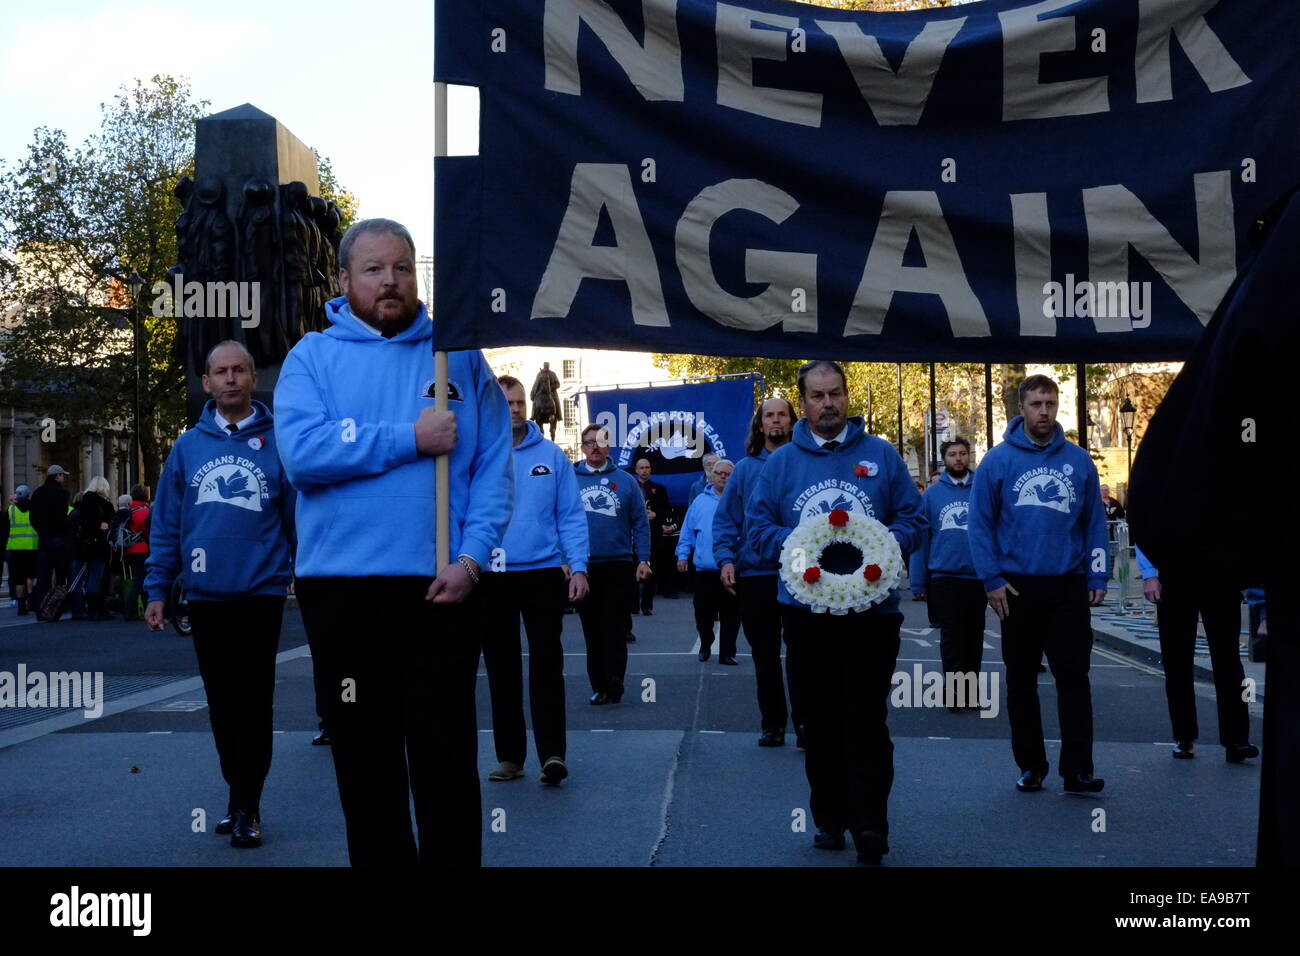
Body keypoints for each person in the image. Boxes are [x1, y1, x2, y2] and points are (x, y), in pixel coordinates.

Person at [275, 218, 513, 867]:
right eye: (375, 269)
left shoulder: (457, 354)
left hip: (441, 590)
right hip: (344, 598)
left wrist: (472, 559)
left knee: (445, 763)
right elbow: (303, 454)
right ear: (345, 280)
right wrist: (408, 437)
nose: (390, 282)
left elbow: (494, 465)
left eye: (402, 268)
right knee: (366, 763)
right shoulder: (312, 358)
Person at [747, 361, 924, 865]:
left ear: (848, 397)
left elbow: (913, 518)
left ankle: (871, 823)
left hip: (873, 615)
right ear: (802, 403)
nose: (829, 404)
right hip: (806, 616)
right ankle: (828, 815)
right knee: (819, 722)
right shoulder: (779, 465)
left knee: (867, 717)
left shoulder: (881, 455)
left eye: (836, 395)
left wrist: (887, 545)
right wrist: (801, 543)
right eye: (818, 396)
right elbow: (757, 531)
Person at [144, 340, 296, 850]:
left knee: (254, 702)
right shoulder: (188, 447)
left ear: (253, 378)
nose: (230, 379)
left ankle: (248, 805)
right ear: (207, 383)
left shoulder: (281, 442)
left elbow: (298, 519)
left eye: (239, 370)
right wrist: (156, 587)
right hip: (206, 597)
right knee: (222, 704)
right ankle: (237, 793)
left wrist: (305, 574)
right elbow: (166, 526)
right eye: (220, 372)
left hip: (260, 593)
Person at [968, 374, 1108, 795]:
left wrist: (1097, 574)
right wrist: (991, 579)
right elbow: (979, 525)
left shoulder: (1079, 461)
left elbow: (1095, 524)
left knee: (1074, 676)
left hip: (1068, 586)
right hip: (1017, 589)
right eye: (1036, 404)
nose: (1044, 411)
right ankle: (1031, 765)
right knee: (1022, 679)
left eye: (1050, 403)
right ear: (1022, 408)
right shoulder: (998, 461)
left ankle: (1078, 770)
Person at [481, 375, 589, 785]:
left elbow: (570, 516)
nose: (514, 409)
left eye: (519, 402)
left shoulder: (553, 456)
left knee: (547, 665)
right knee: (501, 668)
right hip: (492, 577)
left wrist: (578, 566)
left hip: (542, 573)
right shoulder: (479, 453)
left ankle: (553, 755)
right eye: (506, 402)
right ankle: (510, 757)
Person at [715, 396, 804, 747]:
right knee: (764, 655)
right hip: (755, 574)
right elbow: (726, 521)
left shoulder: (804, 464)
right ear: (760, 424)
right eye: (770, 415)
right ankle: (773, 723)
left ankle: (807, 724)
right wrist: (725, 559)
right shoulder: (745, 470)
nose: (776, 420)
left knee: (802, 654)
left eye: (782, 414)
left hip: (800, 572)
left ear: (793, 421)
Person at [1135, 545, 1257, 762]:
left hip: (1223, 576)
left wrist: (1246, 576)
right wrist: (1150, 573)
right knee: (1176, 661)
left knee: (1229, 661)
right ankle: (1184, 737)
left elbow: (1240, 527)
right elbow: (1147, 525)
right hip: (1175, 574)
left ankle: (1237, 738)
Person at [574, 424, 651, 705]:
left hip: (619, 564)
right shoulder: (570, 479)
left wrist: (643, 559)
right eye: (589, 442)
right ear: (582, 447)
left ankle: (615, 678)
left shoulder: (626, 481)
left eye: (600, 441)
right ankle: (599, 685)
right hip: (584, 566)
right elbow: (556, 522)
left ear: (609, 446)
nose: (595, 446)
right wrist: (564, 561)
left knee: (616, 626)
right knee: (591, 629)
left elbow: (641, 524)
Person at [910, 438, 987, 711]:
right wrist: (918, 581)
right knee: (952, 637)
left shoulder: (982, 489)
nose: (958, 459)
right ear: (945, 459)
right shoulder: (931, 495)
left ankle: (972, 693)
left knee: (974, 636)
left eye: (963, 453)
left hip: (978, 577)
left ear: (969, 457)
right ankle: (955, 694)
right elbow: (922, 541)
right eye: (953, 454)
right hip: (943, 576)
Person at [677, 458, 738, 664]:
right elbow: (687, 530)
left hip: (731, 568)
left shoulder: (741, 500)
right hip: (705, 569)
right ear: (711, 475)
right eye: (719, 473)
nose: (723, 476)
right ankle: (705, 642)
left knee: (732, 613)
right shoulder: (700, 501)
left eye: (728, 474)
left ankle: (727, 652)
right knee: (703, 613)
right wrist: (683, 554)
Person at [69, 477, 115, 621]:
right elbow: (108, 522)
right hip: (98, 545)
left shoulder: (82, 504)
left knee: (80, 578)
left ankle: (80, 609)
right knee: (96, 577)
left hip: (82, 546)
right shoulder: (102, 504)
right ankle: (95, 608)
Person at [30, 465, 72, 612]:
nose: (63, 478)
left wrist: (41, 530)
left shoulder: (37, 493)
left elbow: (32, 517)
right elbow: (62, 516)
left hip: (44, 537)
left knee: (44, 575)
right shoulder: (62, 493)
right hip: (59, 537)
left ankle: (42, 607)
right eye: (62, 475)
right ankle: (59, 605)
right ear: (57, 476)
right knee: (61, 574)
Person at [633, 458, 671, 616]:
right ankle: (633, 605)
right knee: (631, 571)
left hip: (652, 535)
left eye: (647, 467)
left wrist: (656, 514)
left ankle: (647, 605)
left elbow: (667, 510)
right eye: (641, 468)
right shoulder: (630, 486)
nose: (644, 470)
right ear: (636, 470)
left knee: (650, 570)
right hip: (632, 534)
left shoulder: (659, 489)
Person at [3, 484, 37, 615]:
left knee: (18, 578)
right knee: (31, 575)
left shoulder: (11, 510)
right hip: (32, 547)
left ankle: (21, 606)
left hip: (15, 548)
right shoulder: (34, 509)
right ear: (28, 495)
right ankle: (31, 599)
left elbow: (4, 530)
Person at [121, 486, 151, 622]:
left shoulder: (129, 510)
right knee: (141, 582)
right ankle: (132, 611)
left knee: (138, 580)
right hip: (142, 550)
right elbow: (149, 531)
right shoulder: (144, 512)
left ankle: (137, 609)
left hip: (129, 550)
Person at [530, 362, 562, 441]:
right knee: (535, 401)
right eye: (545, 366)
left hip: (551, 392)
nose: (546, 367)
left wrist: (550, 388)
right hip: (541, 392)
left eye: (547, 366)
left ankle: (558, 414)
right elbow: (536, 384)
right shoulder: (539, 374)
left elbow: (558, 384)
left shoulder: (552, 374)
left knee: (556, 401)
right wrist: (533, 393)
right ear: (543, 366)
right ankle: (533, 415)